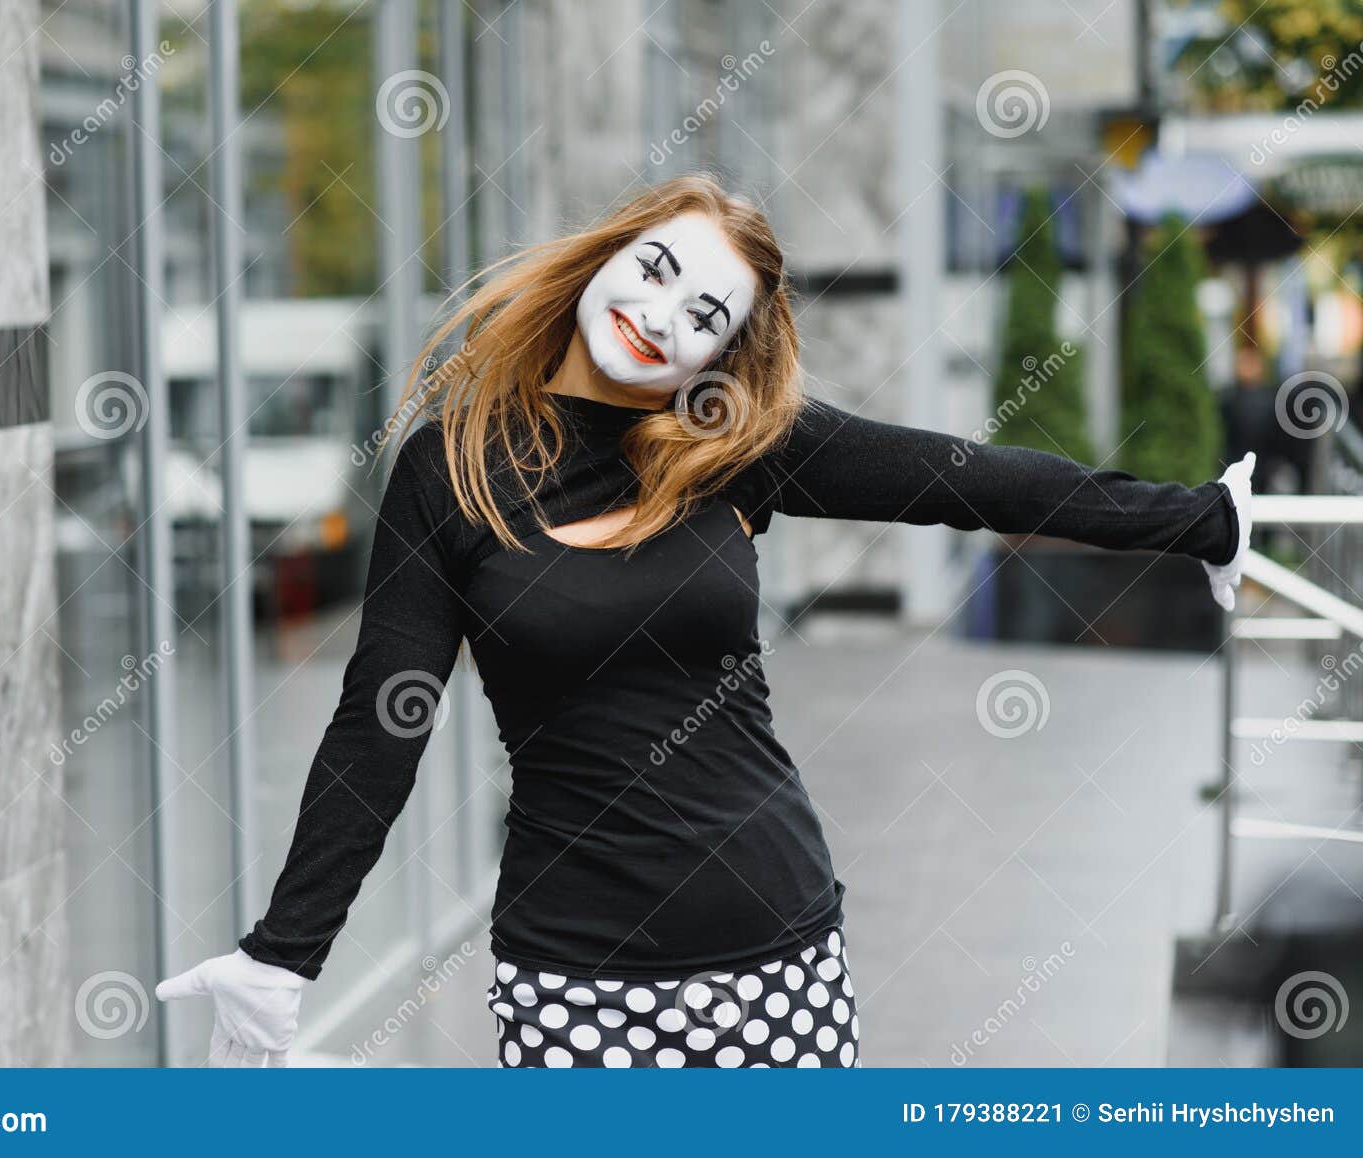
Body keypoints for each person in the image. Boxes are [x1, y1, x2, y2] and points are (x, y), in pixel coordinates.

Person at [156, 174, 1256, 1068]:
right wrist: (281, 955)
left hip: (775, 949)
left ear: (720, 356)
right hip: (569, 975)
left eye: (705, 315)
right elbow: (380, 727)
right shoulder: (450, 470)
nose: (661, 314)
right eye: (658, 269)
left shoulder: (726, 441)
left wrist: (1201, 520)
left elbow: (965, 480)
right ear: (609, 256)